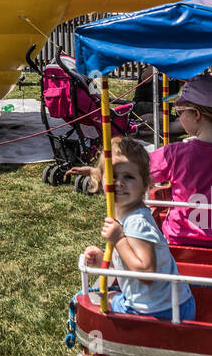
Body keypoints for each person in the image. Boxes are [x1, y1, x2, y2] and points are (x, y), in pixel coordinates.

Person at [83, 137, 195, 321]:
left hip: (159, 311)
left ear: (145, 183)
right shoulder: (130, 216)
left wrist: (118, 239)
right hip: (172, 304)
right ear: (100, 178)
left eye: (129, 176)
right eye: (112, 176)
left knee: (90, 298)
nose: (119, 183)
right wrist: (106, 260)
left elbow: (146, 273)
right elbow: (131, 259)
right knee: (107, 295)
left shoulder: (137, 222)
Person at [148, 74, 212, 249]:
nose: (178, 117)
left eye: (179, 112)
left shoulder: (175, 153)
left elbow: (139, 174)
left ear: (196, 114)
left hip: (180, 240)